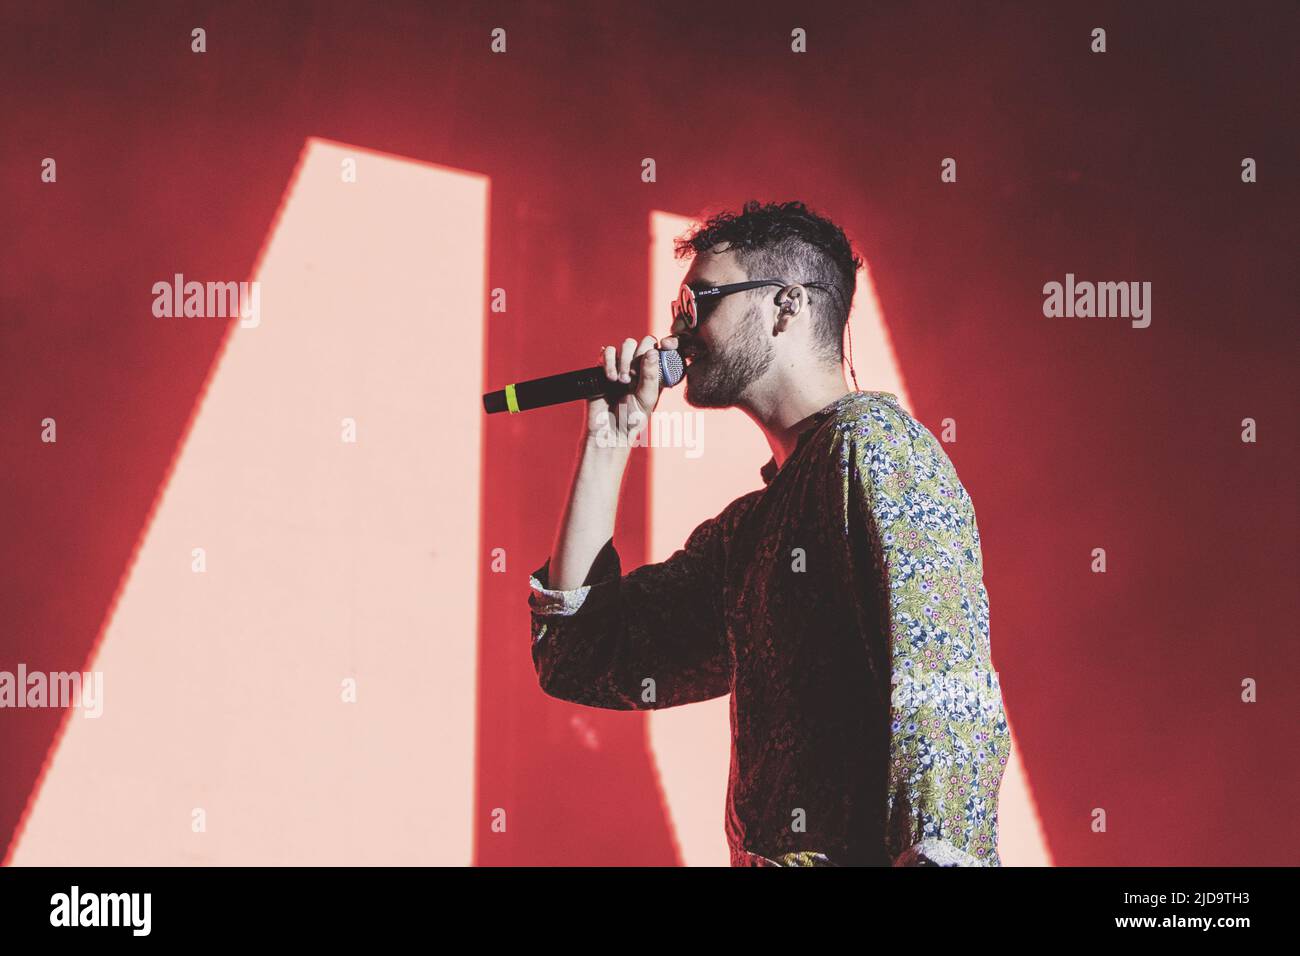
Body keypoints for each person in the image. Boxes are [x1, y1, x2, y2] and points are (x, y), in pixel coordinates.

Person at [527, 199, 1010, 866]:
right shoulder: (751, 532)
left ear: (787, 305)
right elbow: (587, 657)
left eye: (699, 303)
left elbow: (945, 694)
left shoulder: (874, 452)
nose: (676, 330)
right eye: (678, 309)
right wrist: (609, 446)